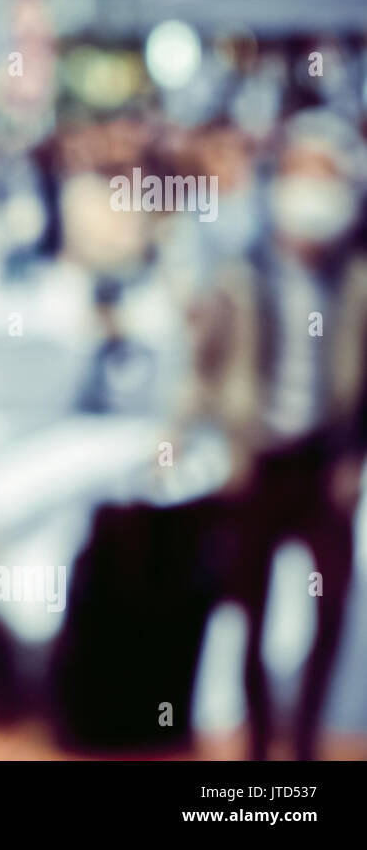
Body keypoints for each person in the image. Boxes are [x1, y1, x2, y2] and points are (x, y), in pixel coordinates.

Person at [184, 108, 367, 759]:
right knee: (249, 611)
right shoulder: (242, 274)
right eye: (301, 173)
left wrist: (352, 455)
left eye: (327, 176)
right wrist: (179, 438)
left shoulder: (354, 279)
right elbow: (204, 368)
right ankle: (260, 748)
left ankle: (309, 741)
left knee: (332, 608)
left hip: (326, 465)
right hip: (257, 462)